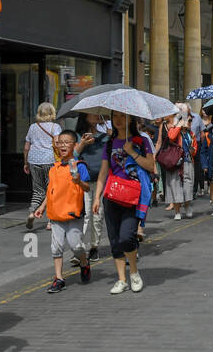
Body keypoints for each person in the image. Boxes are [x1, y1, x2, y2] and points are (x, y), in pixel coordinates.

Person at [93, 112, 155, 295]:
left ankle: (134, 272)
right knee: (114, 240)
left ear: (131, 119)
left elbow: (151, 165)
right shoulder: (109, 143)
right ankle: (122, 279)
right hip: (111, 196)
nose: (118, 120)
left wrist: (132, 152)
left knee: (126, 237)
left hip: (132, 196)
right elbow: (103, 172)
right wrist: (97, 197)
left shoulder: (141, 141)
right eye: (115, 116)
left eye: (122, 116)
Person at [35, 130, 92, 293]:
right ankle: (59, 278)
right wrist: (42, 207)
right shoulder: (54, 168)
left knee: (77, 246)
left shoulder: (80, 165)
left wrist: (78, 181)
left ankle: (84, 262)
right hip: (56, 214)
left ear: (74, 145)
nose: (63, 145)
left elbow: (87, 188)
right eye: (60, 143)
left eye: (67, 142)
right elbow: (51, 190)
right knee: (56, 247)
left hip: (73, 214)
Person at [74, 113, 109, 262]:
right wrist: (82, 144)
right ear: (85, 116)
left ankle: (94, 247)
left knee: (97, 215)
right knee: (84, 215)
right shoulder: (77, 136)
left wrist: (111, 135)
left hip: (101, 179)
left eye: (97, 113)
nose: (96, 115)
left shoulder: (105, 136)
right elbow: (72, 155)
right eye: (92, 113)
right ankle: (79, 249)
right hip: (84, 181)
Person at [22, 102, 62, 232]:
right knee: (51, 190)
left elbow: (26, 147)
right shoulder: (55, 127)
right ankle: (50, 222)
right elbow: (56, 144)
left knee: (38, 190)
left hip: (34, 160)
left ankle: (32, 212)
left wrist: (26, 163)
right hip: (49, 160)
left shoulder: (33, 127)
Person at [157, 105, 196, 220]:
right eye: (187, 119)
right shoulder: (175, 128)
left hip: (188, 161)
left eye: (189, 120)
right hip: (176, 162)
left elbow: (194, 147)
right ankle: (177, 211)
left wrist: (193, 151)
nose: (188, 122)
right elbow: (171, 136)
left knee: (188, 185)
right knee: (175, 185)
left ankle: (188, 205)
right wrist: (179, 125)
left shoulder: (191, 133)